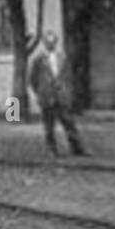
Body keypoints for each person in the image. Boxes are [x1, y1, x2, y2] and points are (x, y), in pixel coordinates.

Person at [28, 29, 87, 157]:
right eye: (48, 42)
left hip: (61, 96)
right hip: (47, 96)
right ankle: (51, 149)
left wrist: (66, 91)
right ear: (44, 43)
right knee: (49, 125)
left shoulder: (62, 57)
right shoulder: (38, 59)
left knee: (69, 122)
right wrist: (40, 91)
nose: (50, 44)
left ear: (56, 42)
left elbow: (68, 76)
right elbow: (32, 79)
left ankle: (77, 148)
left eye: (53, 41)